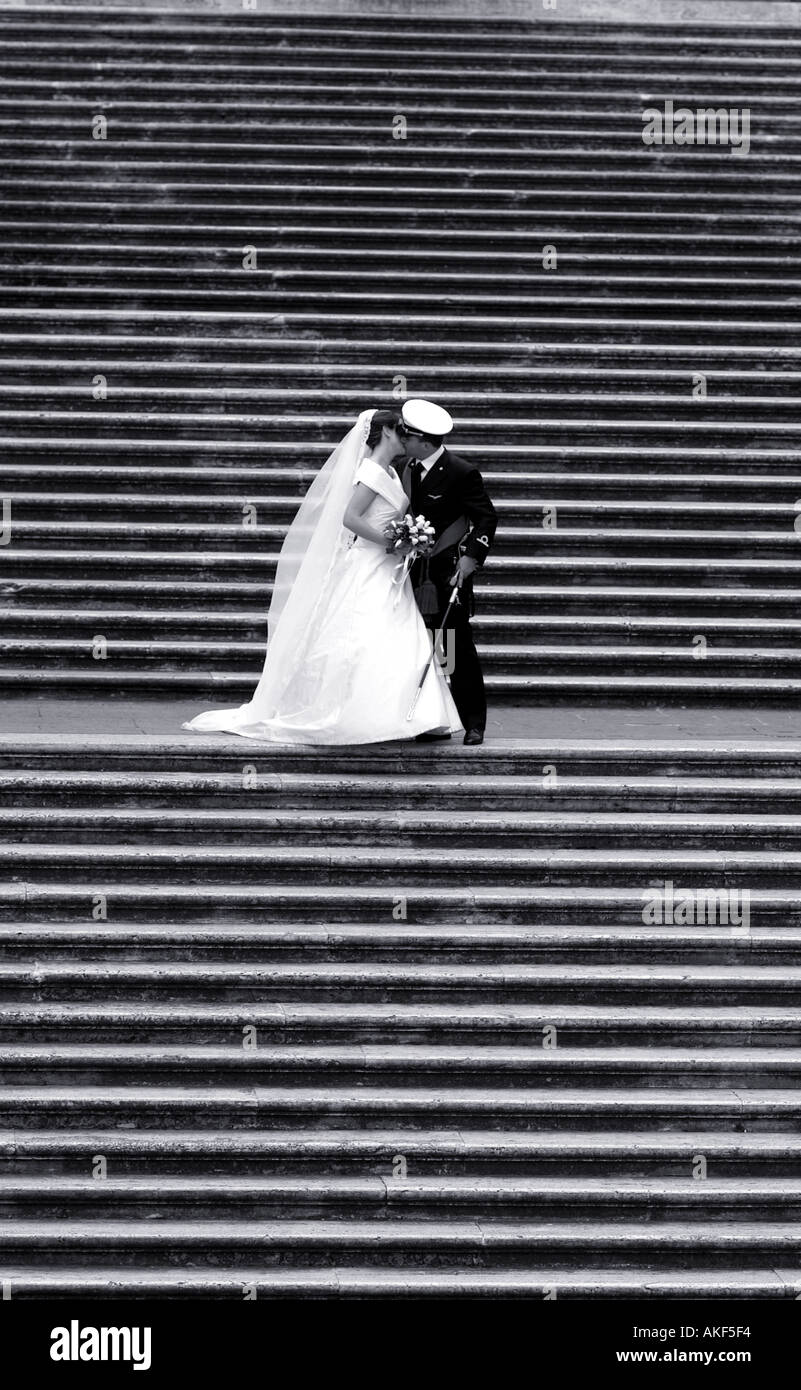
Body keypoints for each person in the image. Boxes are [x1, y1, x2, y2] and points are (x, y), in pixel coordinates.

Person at [181, 407, 462, 745]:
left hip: (388, 567)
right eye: (399, 430)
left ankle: (416, 715)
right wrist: (393, 540)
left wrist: (410, 536)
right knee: (367, 637)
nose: (405, 436)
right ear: (385, 432)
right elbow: (351, 518)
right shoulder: (371, 472)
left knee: (404, 636)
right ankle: (366, 714)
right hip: (368, 565)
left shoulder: (391, 471)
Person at [397, 399, 498, 746]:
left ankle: (472, 721)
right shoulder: (405, 468)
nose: (402, 440)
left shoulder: (460, 471)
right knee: (418, 646)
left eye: (407, 436)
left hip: (446, 574)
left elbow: (486, 517)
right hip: (410, 573)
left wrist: (472, 556)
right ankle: (433, 719)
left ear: (425, 441)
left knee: (453, 649)